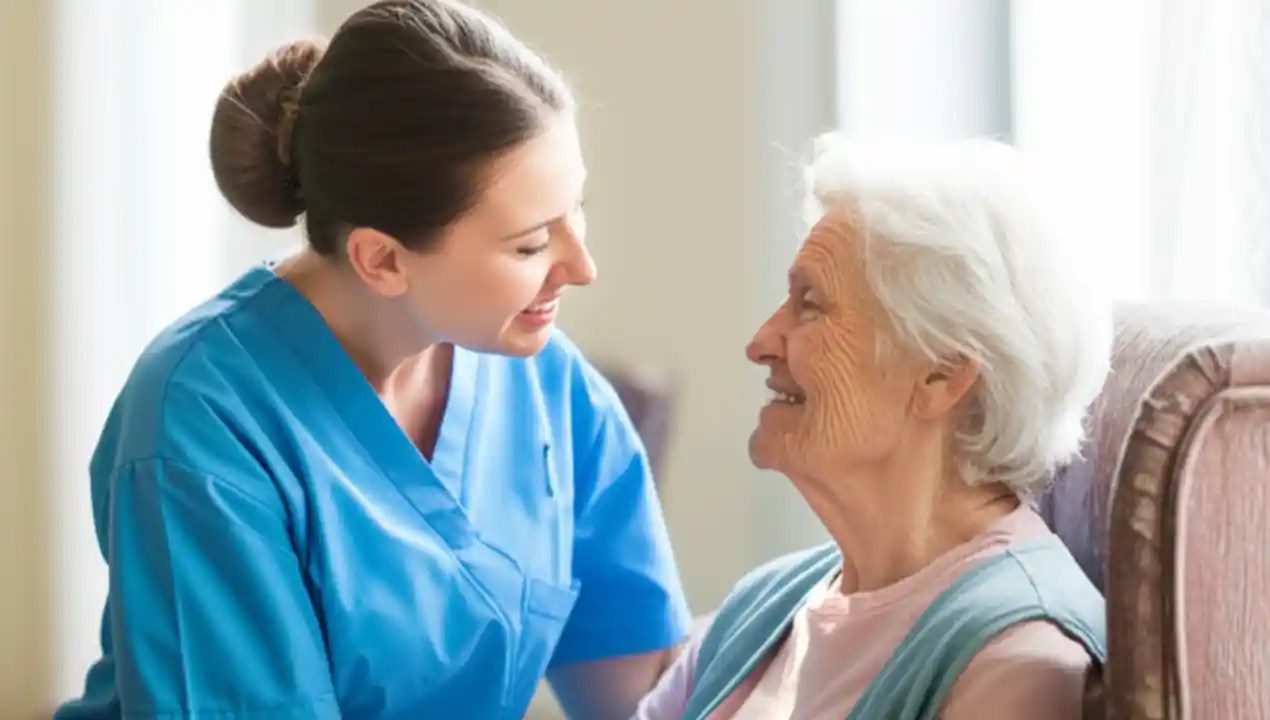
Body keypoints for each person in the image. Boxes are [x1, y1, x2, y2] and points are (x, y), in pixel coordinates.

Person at [53, 2, 690, 718]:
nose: (582, 266)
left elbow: (644, 699)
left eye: (578, 210)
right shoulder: (201, 421)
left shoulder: (545, 384)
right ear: (382, 260)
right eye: (531, 244)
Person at [633, 136, 1112, 719]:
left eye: (810, 304)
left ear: (941, 373)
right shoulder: (761, 608)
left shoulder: (1020, 658)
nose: (761, 342)